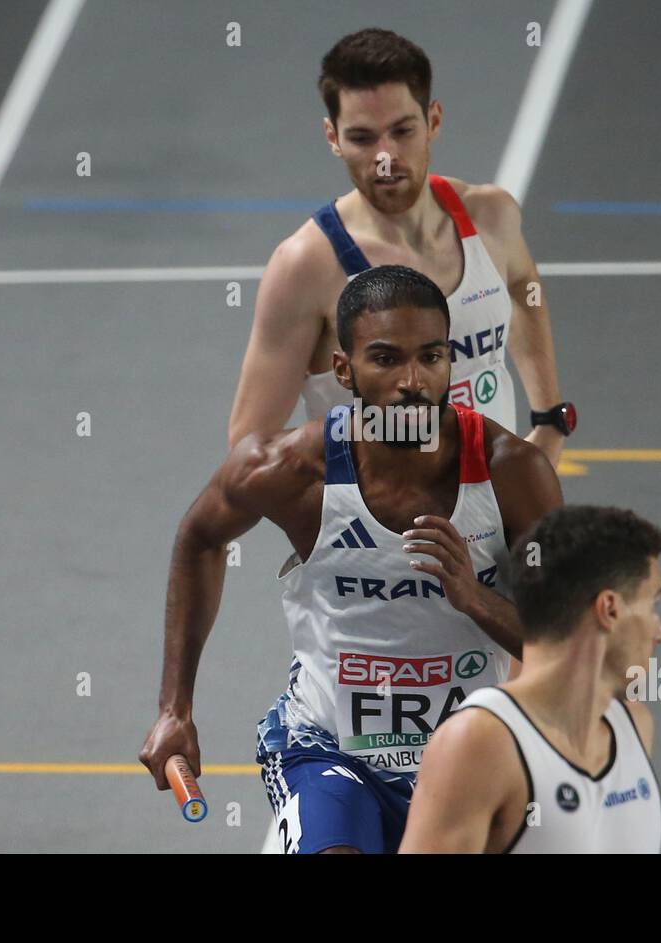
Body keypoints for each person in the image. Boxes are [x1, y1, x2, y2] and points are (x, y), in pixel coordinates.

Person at [140, 265, 563, 853]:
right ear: (344, 369)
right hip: (325, 748)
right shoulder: (289, 470)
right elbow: (201, 539)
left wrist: (477, 600)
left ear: (450, 362)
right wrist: (174, 708)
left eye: (431, 357)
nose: (412, 381)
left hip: (465, 762)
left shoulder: (513, 473)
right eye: (386, 359)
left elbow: (562, 646)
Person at [227, 28, 577, 467]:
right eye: (362, 138)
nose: (386, 156)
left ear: (433, 120)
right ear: (332, 137)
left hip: (493, 519)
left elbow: (523, 287)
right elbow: (250, 449)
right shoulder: (307, 265)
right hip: (378, 533)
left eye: (402, 131)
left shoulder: (491, 218)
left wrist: (549, 419)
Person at [399, 505, 661, 853]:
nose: (659, 632)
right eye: (652, 606)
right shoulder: (480, 743)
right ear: (609, 609)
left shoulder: (634, 728)